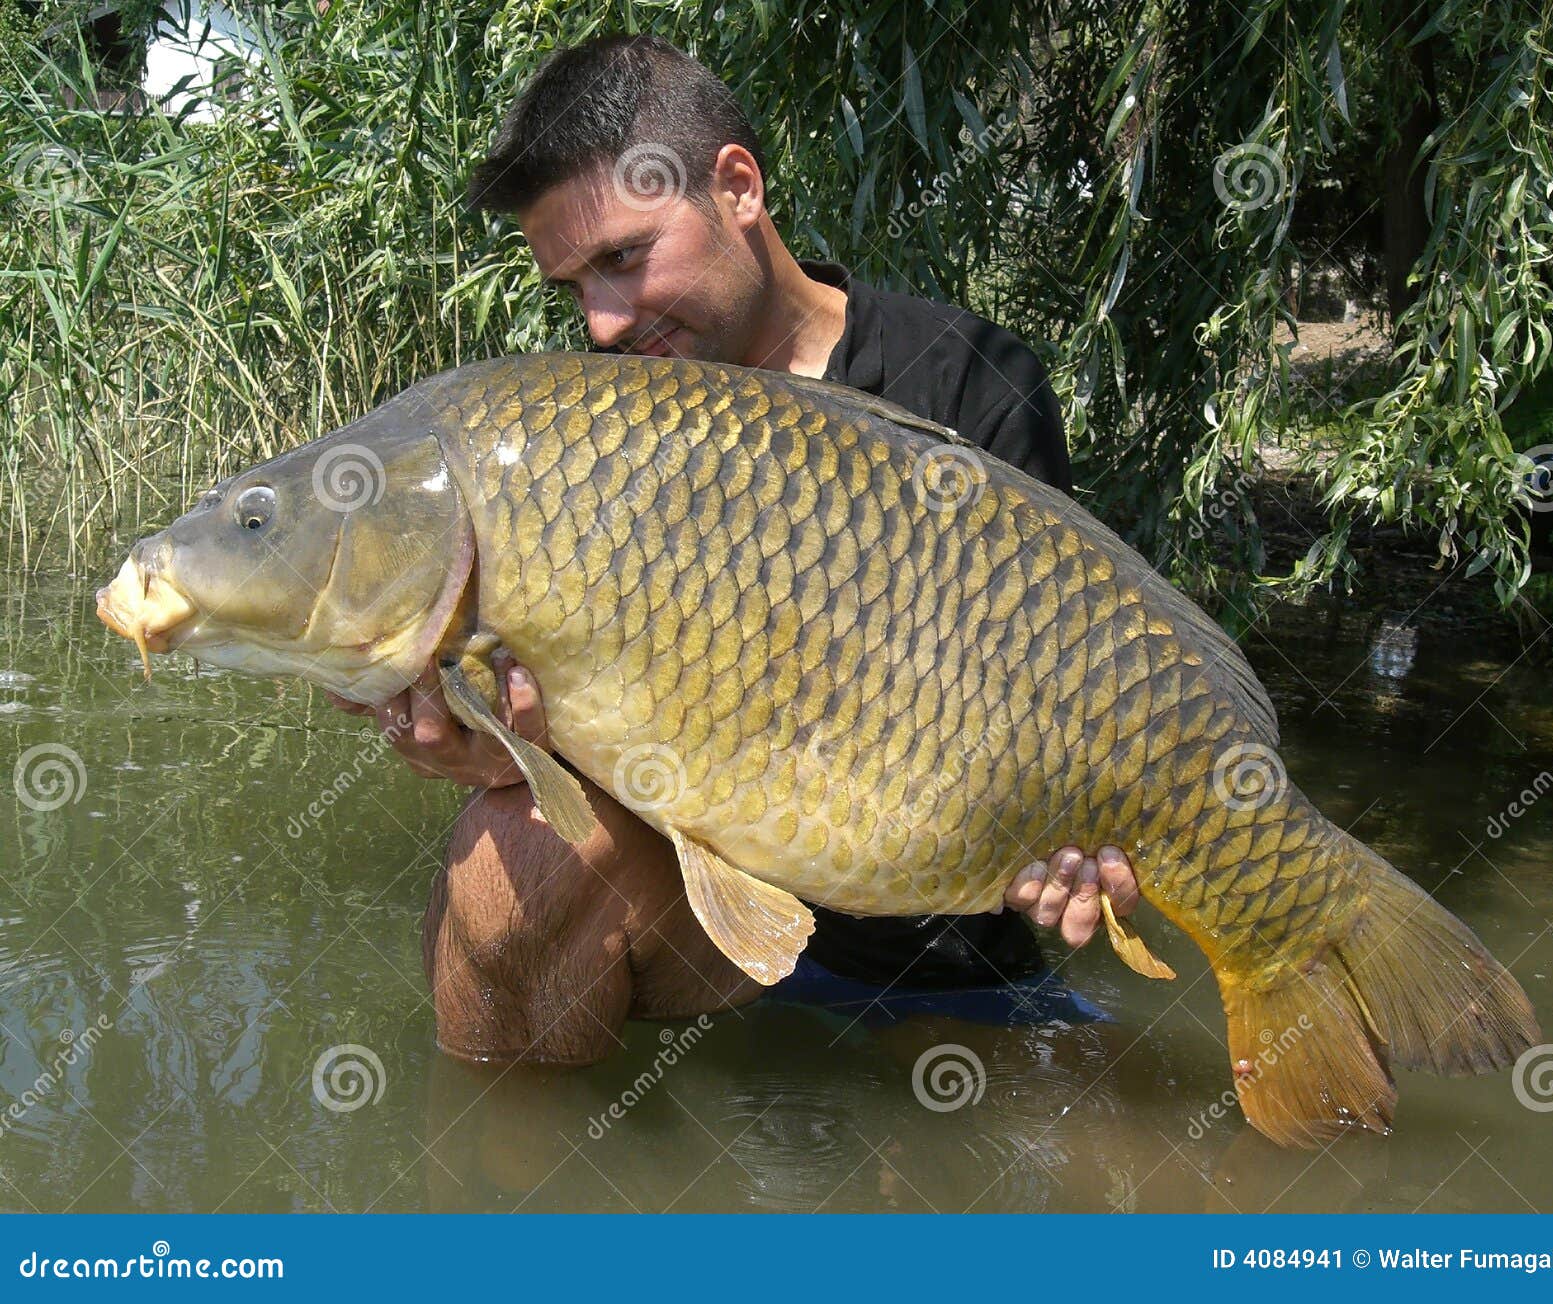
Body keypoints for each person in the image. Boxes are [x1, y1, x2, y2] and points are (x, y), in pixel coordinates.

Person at [328, 33, 1141, 1063]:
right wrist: (509, 756)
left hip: (929, 947)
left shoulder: (968, 381)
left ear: (738, 187)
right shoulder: (587, 437)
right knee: (507, 867)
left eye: (623, 258)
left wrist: (1079, 827)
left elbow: (1062, 689)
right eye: (572, 286)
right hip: (699, 938)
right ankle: (513, 1198)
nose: (605, 321)